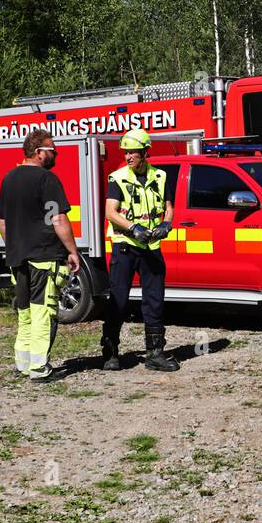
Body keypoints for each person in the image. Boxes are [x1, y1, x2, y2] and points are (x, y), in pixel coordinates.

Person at [0, 130, 81, 382]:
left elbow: (2, 222)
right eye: (52, 150)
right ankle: (39, 368)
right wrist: (72, 251)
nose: (56, 154)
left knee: (25, 312)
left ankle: (23, 364)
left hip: (17, 258)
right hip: (43, 257)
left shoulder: (9, 178)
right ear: (39, 152)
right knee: (43, 311)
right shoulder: (47, 179)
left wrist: (14, 246)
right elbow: (58, 219)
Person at [102, 128, 178, 372]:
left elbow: (168, 206)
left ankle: (155, 353)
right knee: (118, 299)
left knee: (154, 301)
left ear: (145, 152)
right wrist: (133, 228)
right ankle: (110, 352)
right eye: (125, 152)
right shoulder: (117, 178)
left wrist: (167, 224)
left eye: (132, 152)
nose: (127, 156)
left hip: (151, 247)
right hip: (126, 246)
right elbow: (110, 212)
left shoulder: (161, 176)